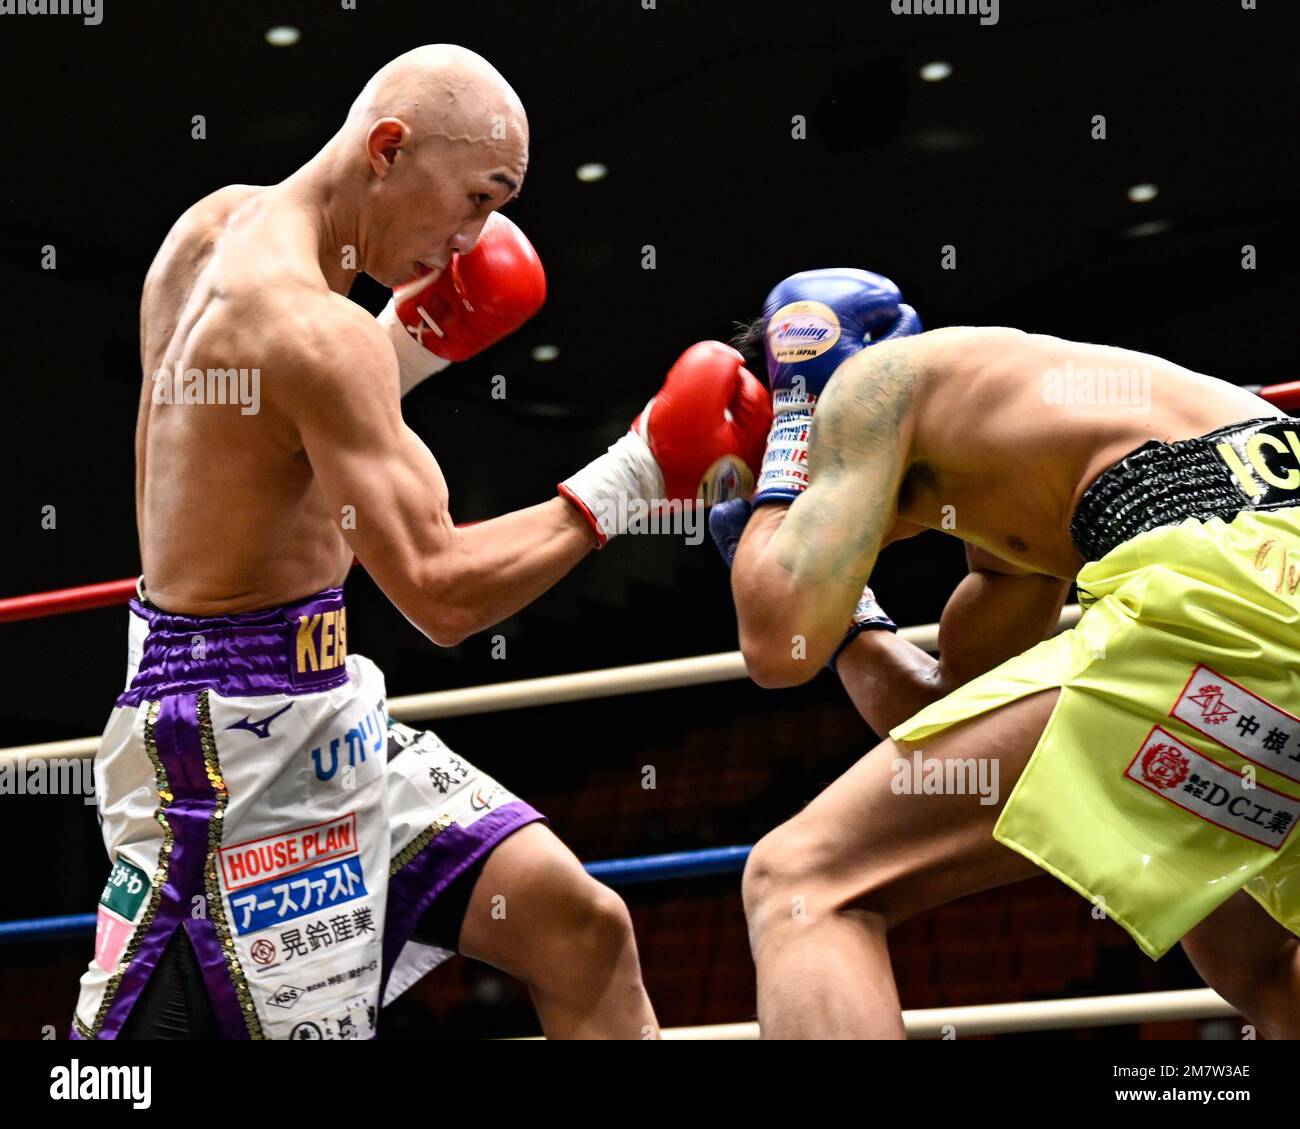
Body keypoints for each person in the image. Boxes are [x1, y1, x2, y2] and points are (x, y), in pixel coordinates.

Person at [73, 43, 769, 1041]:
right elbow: (442, 593)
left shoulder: (213, 228)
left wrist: (409, 340)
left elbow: (259, 445)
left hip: (318, 707)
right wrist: (640, 471)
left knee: (581, 930)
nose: (473, 237)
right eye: (478, 198)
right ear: (388, 149)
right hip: (234, 758)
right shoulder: (319, 332)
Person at [720, 268, 1300, 1038]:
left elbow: (775, 646)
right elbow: (951, 715)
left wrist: (777, 485)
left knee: (805, 879)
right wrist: (855, 617)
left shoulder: (870, 380)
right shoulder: (1022, 488)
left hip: (1225, 577)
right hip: (1252, 584)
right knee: (1261, 961)